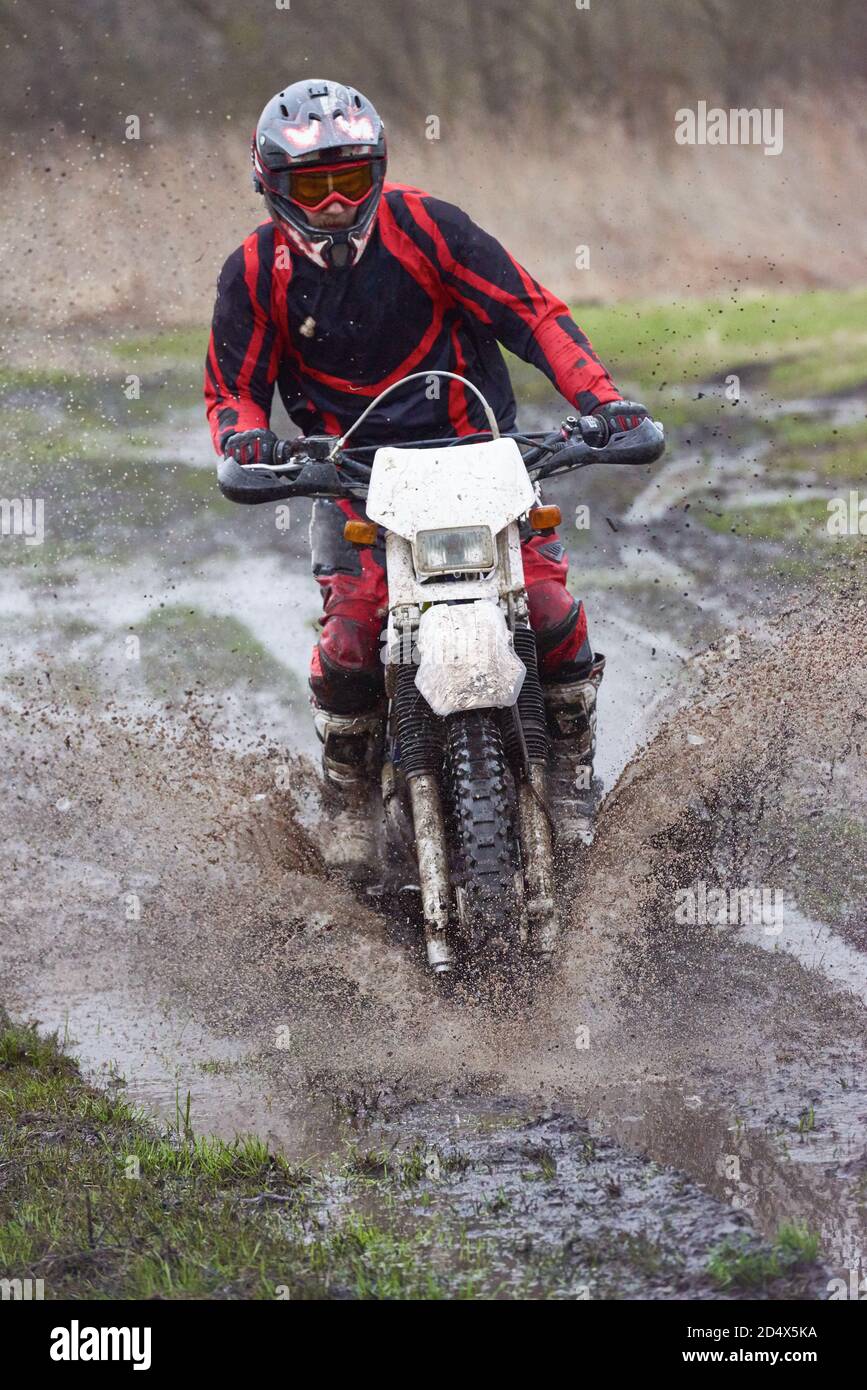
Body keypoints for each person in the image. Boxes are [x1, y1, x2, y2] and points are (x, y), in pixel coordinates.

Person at [205, 79, 648, 814]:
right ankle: (348, 792)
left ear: (376, 172)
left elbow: (530, 315)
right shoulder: (254, 273)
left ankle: (570, 754)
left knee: (545, 609)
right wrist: (248, 443)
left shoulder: (429, 227)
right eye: (311, 188)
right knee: (349, 639)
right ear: (271, 186)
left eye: (347, 181)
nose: (333, 206)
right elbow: (233, 388)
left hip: (479, 457)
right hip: (349, 476)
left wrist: (602, 401)